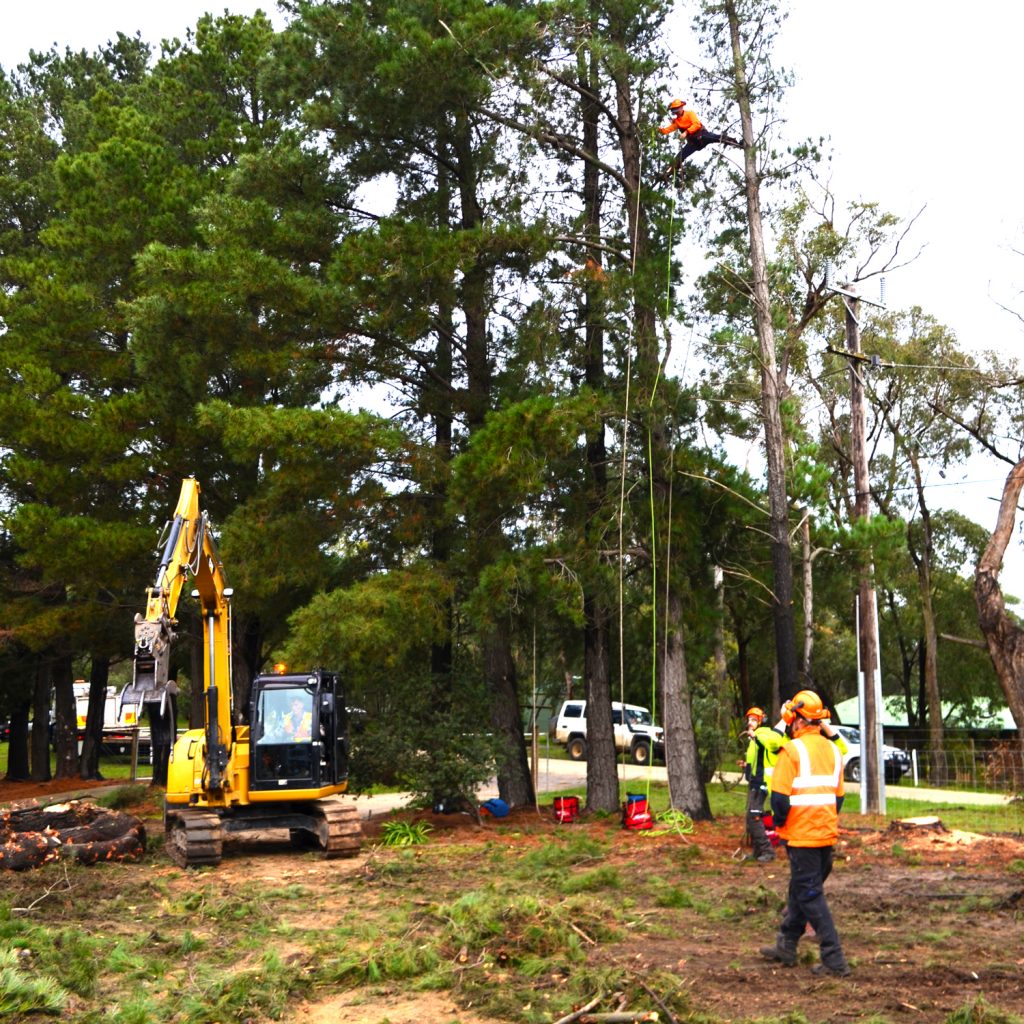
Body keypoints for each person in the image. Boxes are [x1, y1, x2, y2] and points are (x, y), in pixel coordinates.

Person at [761, 689, 851, 977]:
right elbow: (838, 798)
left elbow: (779, 799)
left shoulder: (792, 751)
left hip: (801, 836)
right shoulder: (834, 752)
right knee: (800, 889)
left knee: (810, 894)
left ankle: (834, 959)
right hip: (825, 834)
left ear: (798, 720)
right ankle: (786, 943)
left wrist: (781, 824)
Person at [657, 98, 741, 182]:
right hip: (693, 143)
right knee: (679, 157)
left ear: (682, 107)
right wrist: (657, 129)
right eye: (675, 111)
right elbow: (666, 131)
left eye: (677, 110)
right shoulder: (677, 122)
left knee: (716, 137)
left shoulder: (690, 113)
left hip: (702, 135)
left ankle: (736, 143)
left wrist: (686, 132)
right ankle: (667, 173)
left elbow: (696, 124)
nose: (677, 112)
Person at [741, 706, 786, 862]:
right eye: (749, 719)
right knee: (751, 817)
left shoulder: (764, 734)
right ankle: (758, 852)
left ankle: (767, 850)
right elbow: (756, 759)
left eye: (754, 720)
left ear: (761, 722)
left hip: (761, 783)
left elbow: (767, 744)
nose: (750, 722)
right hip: (754, 782)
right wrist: (746, 766)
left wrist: (756, 737)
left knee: (753, 816)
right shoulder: (753, 739)